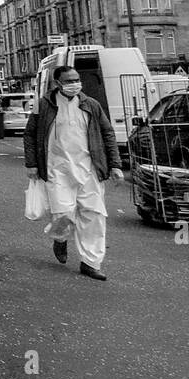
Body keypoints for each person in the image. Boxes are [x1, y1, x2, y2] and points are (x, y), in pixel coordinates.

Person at [24, 65, 123, 280]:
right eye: (69, 81)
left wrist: (115, 165)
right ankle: (60, 238)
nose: (74, 84)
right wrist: (31, 164)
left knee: (94, 216)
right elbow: (30, 134)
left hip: (89, 168)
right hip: (57, 169)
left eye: (77, 79)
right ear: (57, 83)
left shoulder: (91, 105)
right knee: (63, 215)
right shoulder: (43, 105)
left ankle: (90, 263)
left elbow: (107, 133)